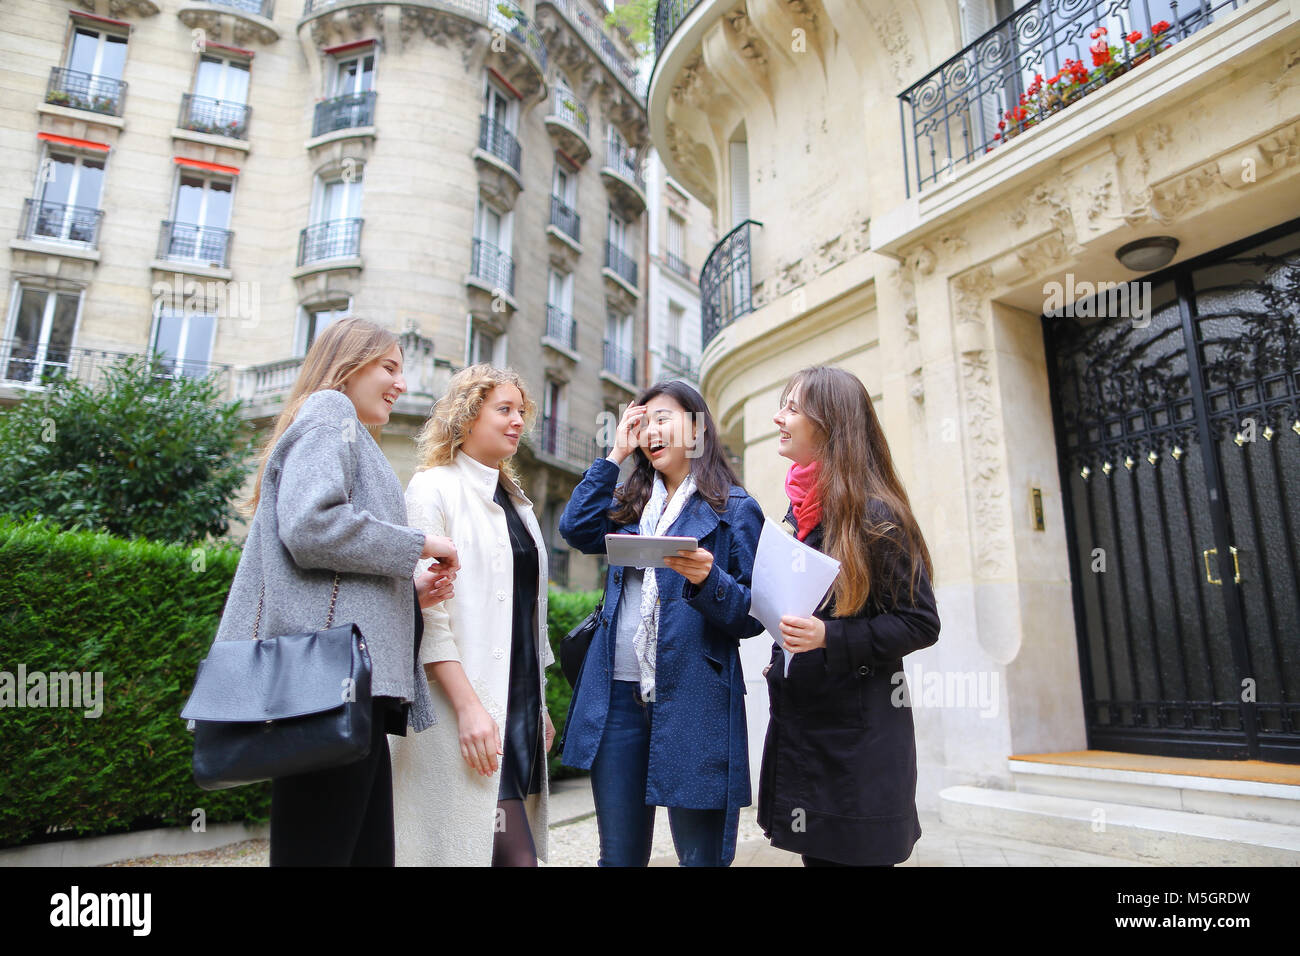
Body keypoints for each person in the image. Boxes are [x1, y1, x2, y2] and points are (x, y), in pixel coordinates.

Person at [213, 317, 459, 867]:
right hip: (332, 683)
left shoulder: (348, 429)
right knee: (324, 852)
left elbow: (332, 562)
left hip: (347, 683)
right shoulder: (331, 411)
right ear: (348, 365)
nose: (400, 383)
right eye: (389, 367)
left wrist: (406, 586)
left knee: (357, 853)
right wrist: (416, 544)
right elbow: (310, 526)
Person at [558, 380, 765, 866]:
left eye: (664, 418)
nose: (652, 430)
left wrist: (708, 579)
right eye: (643, 421)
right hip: (618, 699)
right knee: (619, 856)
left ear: (697, 427)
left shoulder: (735, 509)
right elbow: (574, 528)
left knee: (701, 856)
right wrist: (614, 453)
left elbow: (752, 615)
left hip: (696, 700)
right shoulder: (630, 507)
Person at [757, 365, 941, 866]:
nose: (778, 417)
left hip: (857, 748)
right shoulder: (801, 510)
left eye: (792, 408)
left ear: (830, 423)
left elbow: (921, 621)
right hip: (809, 735)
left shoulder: (877, 516)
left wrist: (827, 638)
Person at [391, 364, 554, 866]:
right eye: (503, 409)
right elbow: (429, 620)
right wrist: (467, 707)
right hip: (461, 708)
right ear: (466, 416)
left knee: (503, 853)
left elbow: (528, 616)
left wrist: (541, 705)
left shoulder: (518, 504)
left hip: (517, 702)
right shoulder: (431, 489)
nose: (517, 422)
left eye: (521, 412)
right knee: (494, 854)